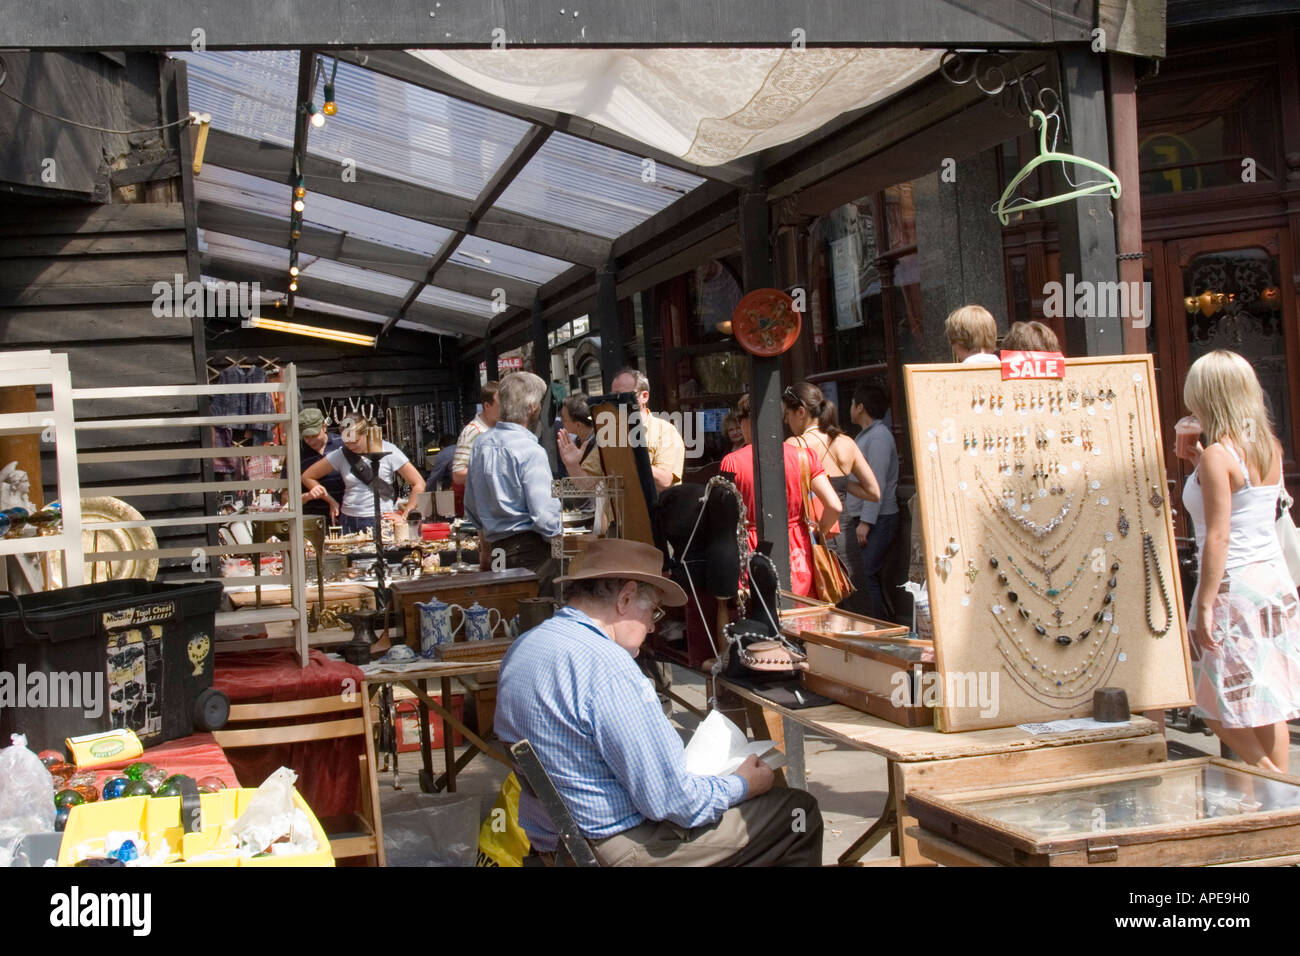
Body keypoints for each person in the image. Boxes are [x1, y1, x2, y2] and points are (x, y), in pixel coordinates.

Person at [495, 537, 824, 866]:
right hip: (614, 847)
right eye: (652, 611)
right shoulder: (610, 669)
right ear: (625, 598)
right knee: (798, 812)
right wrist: (741, 785)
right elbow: (672, 802)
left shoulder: (525, 647)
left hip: (556, 841)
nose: (652, 626)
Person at [1175, 350, 1300, 773]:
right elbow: (1244, 506)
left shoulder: (1218, 456)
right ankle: (1278, 803)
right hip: (1272, 582)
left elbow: (1219, 534)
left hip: (1235, 586)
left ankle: (1279, 784)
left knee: (1213, 705)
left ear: (1205, 394)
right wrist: (1194, 462)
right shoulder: (1268, 447)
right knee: (1268, 702)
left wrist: (1204, 604)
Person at [721, 394, 844, 597]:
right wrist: (816, 531)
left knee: (764, 616)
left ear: (745, 421)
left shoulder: (731, 462)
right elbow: (835, 506)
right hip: (799, 548)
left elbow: (724, 517)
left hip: (752, 548)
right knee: (803, 616)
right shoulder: (805, 456)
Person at [465, 371, 563, 590]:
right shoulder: (530, 450)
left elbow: (472, 506)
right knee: (536, 614)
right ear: (532, 408)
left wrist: (485, 549)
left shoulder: (480, 445)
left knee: (506, 611)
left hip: (497, 547)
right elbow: (544, 517)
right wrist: (562, 547)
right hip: (530, 552)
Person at [781, 382, 881, 589]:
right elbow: (873, 492)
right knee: (854, 600)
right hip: (845, 536)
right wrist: (841, 484)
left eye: (787, 414)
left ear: (801, 412)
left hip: (813, 534)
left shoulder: (793, 445)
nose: (787, 420)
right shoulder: (846, 442)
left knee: (822, 602)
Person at [301, 417, 425, 534]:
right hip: (349, 519)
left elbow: (419, 484)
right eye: (347, 443)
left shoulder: (388, 449)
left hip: (381, 517)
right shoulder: (341, 454)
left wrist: (405, 516)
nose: (351, 446)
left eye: (355, 441)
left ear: (365, 434)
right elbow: (307, 476)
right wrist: (330, 500)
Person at [577, 367, 685, 492]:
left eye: (623, 396)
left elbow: (665, 482)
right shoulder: (610, 433)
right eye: (613, 397)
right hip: (618, 511)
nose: (617, 402)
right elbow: (584, 486)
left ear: (644, 396)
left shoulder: (665, 431)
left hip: (655, 511)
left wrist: (634, 459)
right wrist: (572, 464)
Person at [847, 384, 900, 620]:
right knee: (866, 575)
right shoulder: (866, 435)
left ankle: (880, 628)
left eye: (852, 403)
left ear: (860, 407)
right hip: (868, 517)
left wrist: (866, 521)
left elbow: (875, 482)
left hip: (880, 518)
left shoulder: (878, 437)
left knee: (867, 574)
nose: (849, 408)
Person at [286, 408, 344, 520]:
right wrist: (308, 496)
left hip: (345, 514)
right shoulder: (295, 453)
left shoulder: (342, 444)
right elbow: (286, 499)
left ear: (324, 426)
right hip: (311, 520)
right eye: (307, 437)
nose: (311, 441)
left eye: (314, 435)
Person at [452, 381, 500, 514]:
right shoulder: (472, 432)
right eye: (500, 406)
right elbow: (458, 474)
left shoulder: (500, 429)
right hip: (482, 509)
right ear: (486, 406)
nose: (504, 410)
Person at [555, 393, 599, 477]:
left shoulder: (599, 447)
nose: (561, 422)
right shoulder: (579, 440)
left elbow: (588, 485)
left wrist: (573, 465)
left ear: (578, 425)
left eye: (564, 419)